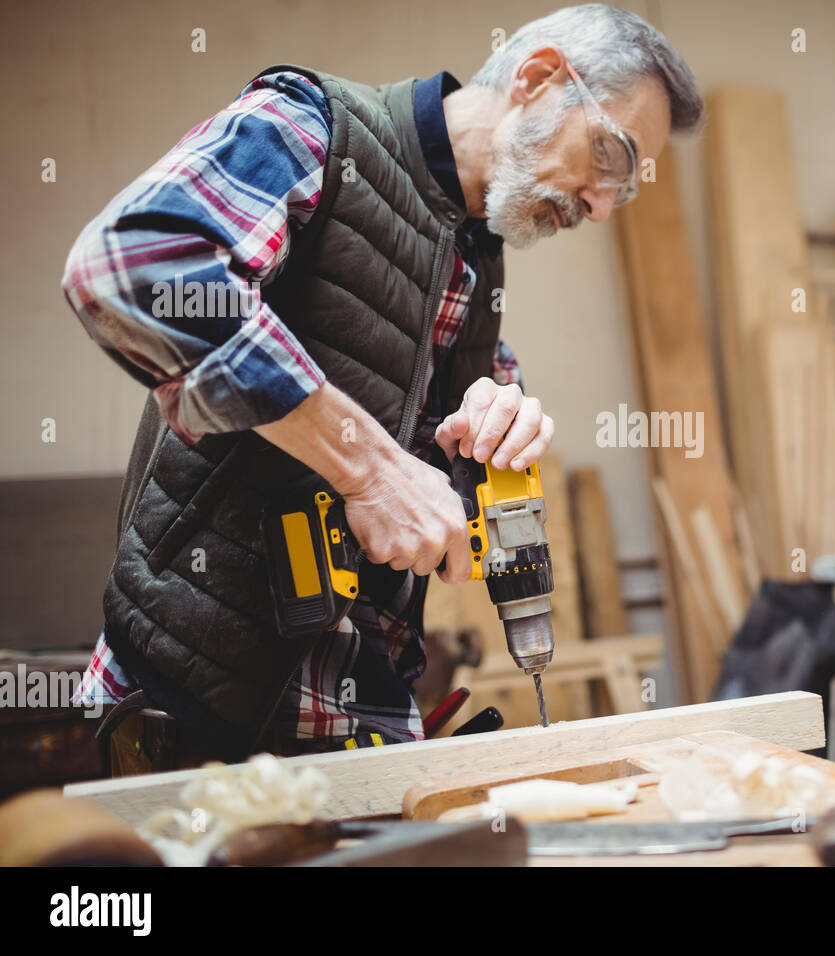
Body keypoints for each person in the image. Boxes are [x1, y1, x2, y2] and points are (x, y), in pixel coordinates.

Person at [62, 4, 703, 770]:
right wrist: (366, 463)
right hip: (194, 713)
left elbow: (420, 502)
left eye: (624, 190)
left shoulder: (474, 258)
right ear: (537, 78)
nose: (600, 206)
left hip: (356, 727)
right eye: (612, 157)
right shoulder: (314, 130)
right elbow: (134, 266)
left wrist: (490, 432)